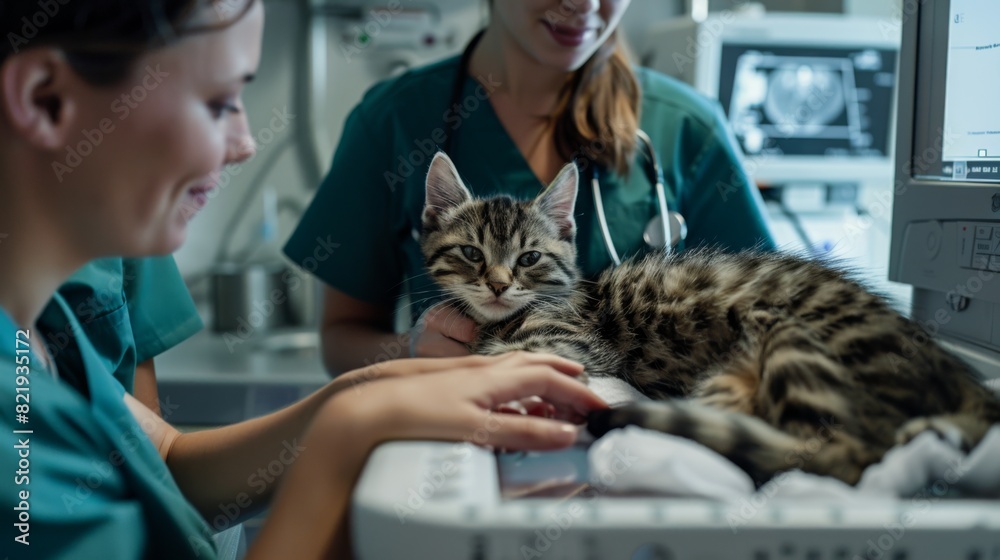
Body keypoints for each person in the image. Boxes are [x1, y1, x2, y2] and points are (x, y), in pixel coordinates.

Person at [0, 1, 607, 558]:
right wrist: (348, 436)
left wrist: (372, 391)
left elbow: (161, 458)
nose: (244, 143)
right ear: (46, 98)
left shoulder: (45, 335)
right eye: (219, 102)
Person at [284, 0, 778, 375]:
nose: (583, 4)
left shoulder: (687, 127)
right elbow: (340, 340)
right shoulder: (393, 120)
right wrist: (414, 352)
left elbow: (768, 318)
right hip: (463, 451)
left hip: (658, 457)